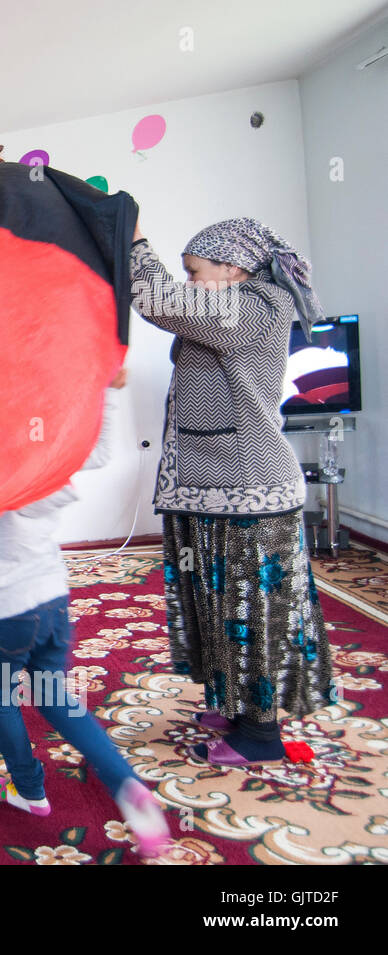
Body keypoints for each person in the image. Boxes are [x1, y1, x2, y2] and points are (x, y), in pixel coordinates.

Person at [0, 369, 171, 858]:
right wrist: (109, 388)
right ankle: (128, 785)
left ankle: (29, 789)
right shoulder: (45, 453)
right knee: (53, 694)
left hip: (6, 614)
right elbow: (100, 450)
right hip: (54, 602)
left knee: (0, 697)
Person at [129, 217, 333, 766]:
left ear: (234, 267)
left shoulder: (255, 306)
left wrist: (133, 239)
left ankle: (259, 735)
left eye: (196, 272)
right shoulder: (238, 301)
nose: (190, 281)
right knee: (219, 606)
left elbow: (155, 297)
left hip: (248, 490)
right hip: (217, 488)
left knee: (247, 610)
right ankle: (239, 705)